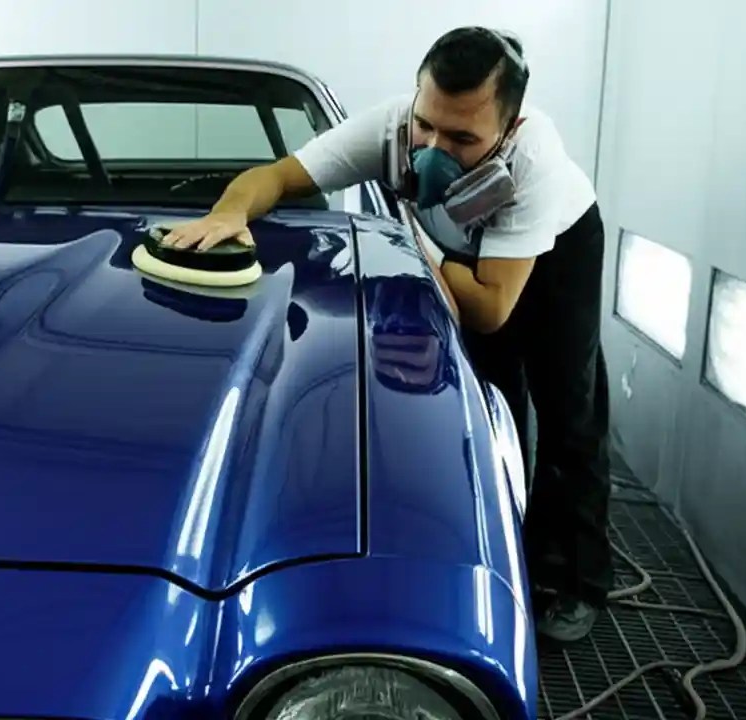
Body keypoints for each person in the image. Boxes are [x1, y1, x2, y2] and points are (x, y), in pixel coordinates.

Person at [162, 26, 613, 642]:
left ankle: (580, 579)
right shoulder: (390, 128)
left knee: (569, 405)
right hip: (464, 256)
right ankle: (513, 557)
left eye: (462, 138)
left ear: (507, 131)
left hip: (555, 252)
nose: (433, 147)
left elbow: (489, 308)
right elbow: (275, 177)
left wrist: (424, 249)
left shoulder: (536, 160)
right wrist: (229, 211)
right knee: (491, 397)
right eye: (427, 125)